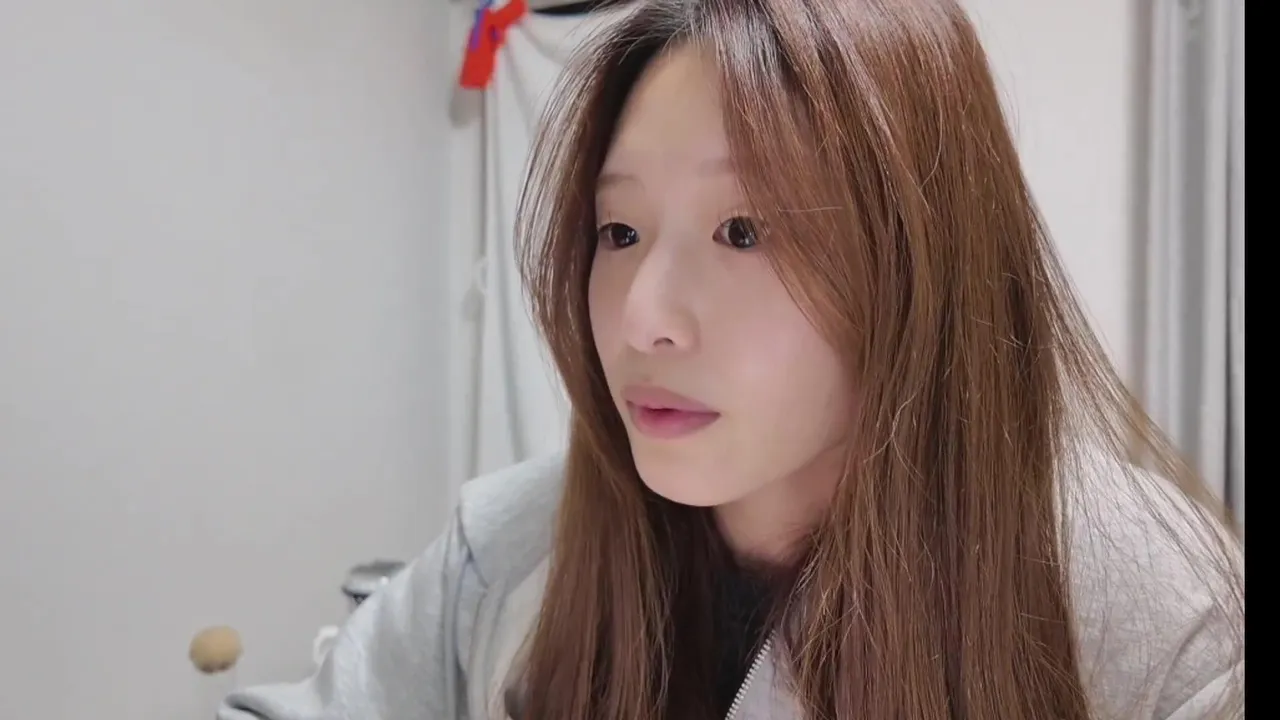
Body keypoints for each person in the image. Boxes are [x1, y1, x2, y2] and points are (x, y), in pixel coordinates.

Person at [218, 0, 1245, 717]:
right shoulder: (509, 552)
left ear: (919, 261)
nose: (641, 321)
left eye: (743, 231)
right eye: (619, 232)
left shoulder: (1144, 612)